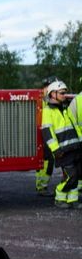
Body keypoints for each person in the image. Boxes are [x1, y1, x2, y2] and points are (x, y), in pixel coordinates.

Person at [41, 80, 82, 208]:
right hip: (62, 151)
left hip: (75, 147)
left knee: (78, 174)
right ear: (53, 94)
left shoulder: (65, 108)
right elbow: (47, 132)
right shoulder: (48, 111)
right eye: (62, 93)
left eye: (65, 93)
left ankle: (72, 200)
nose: (65, 95)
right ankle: (59, 194)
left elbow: (74, 126)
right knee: (72, 175)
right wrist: (56, 150)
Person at [36, 76, 59, 196]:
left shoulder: (44, 98)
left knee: (45, 159)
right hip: (44, 132)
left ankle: (40, 185)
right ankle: (42, 186)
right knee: (48, 160)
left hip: (43, 132)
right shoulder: (43, 99)